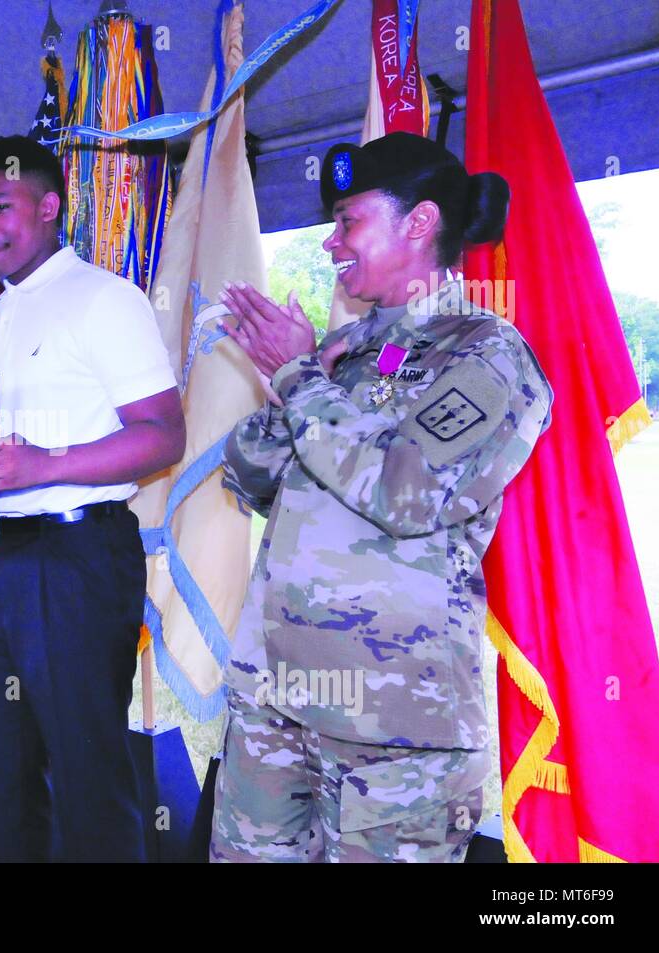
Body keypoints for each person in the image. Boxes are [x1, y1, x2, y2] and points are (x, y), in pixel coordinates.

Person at [211, 132, 553, 862]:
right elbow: (246, 475)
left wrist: (304, 378)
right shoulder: (347, 351)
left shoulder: (485, 351)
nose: (332, 242)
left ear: (420, 222)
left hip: (395, 730)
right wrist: (299, 381)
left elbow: (406, 491)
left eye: (348, 220)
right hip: (275, 702)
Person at [0, 135, 186, 861]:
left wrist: (46, 465)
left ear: (51, 206)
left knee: (87, 771)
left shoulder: (105, 298)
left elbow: (162, 435)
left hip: (75, 558)